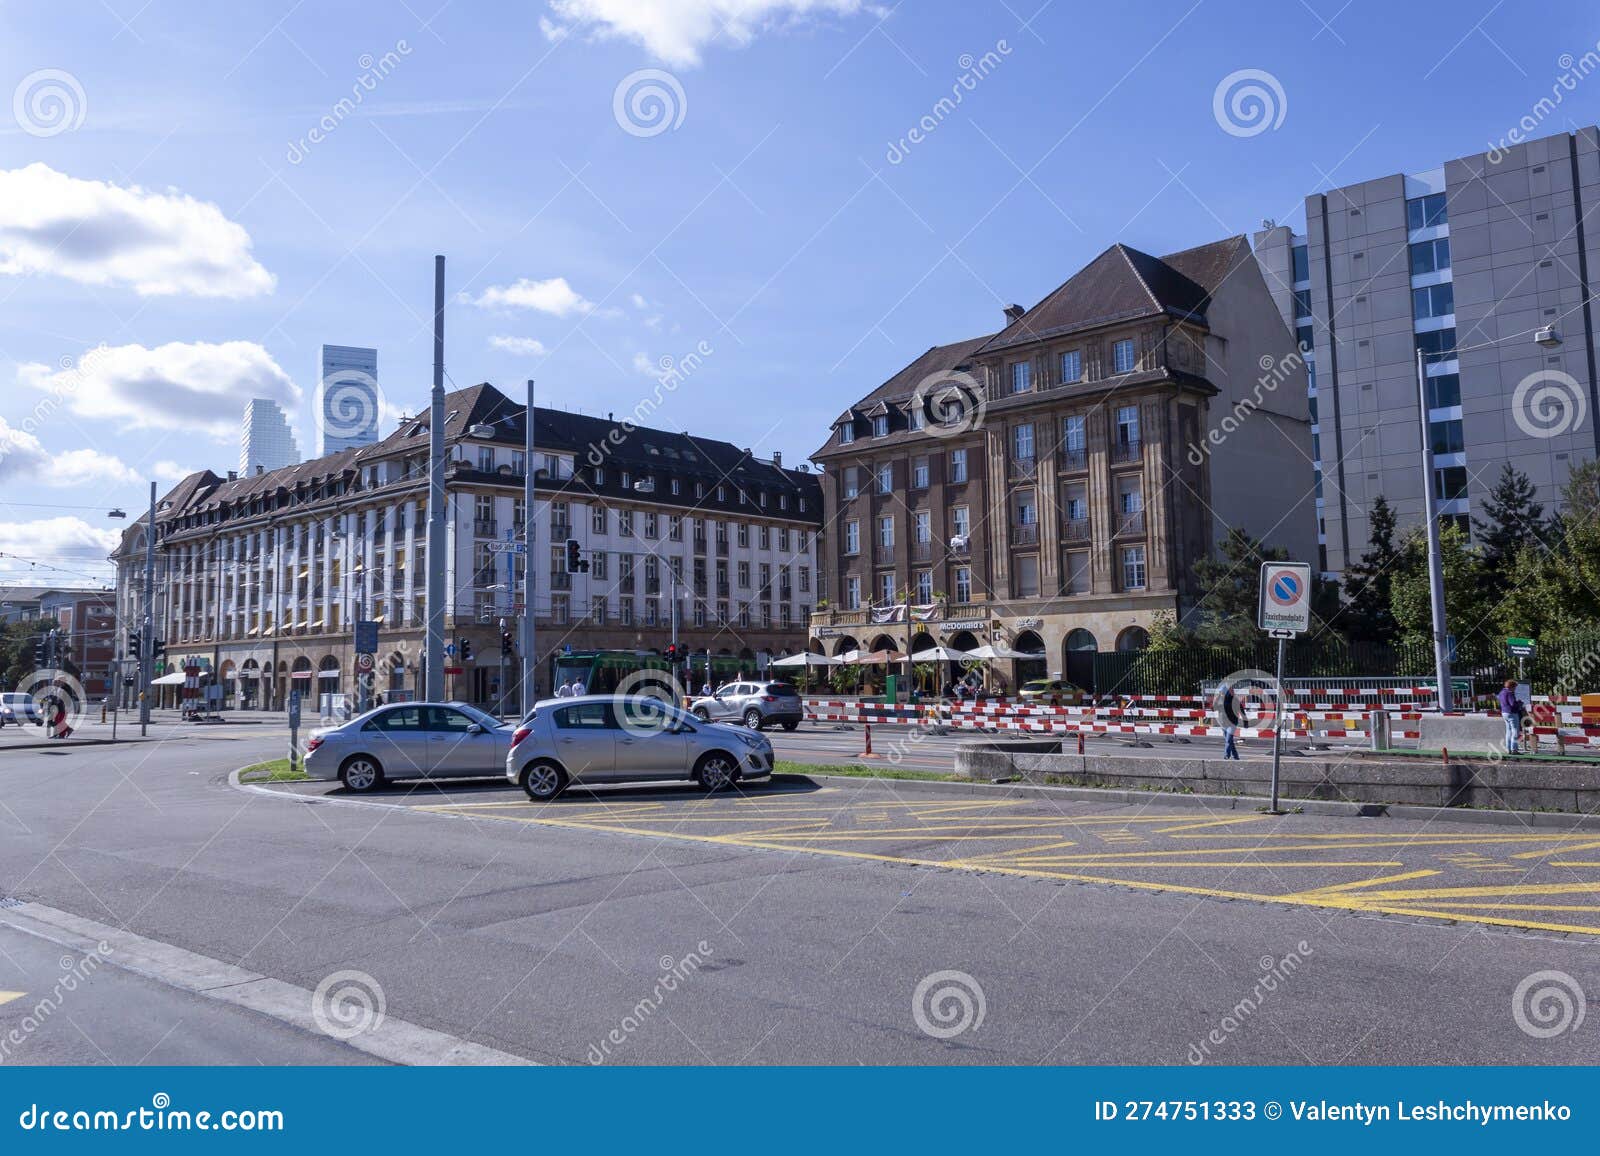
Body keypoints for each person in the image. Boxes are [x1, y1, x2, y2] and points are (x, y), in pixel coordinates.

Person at [1498, 679, 1524, 755]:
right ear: (1511, 686)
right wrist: (1519, 703)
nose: (1515, 689)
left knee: (1508, 731)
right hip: (1512, 713)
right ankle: (1514, 749)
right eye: (1515, 687)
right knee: (1515, 731)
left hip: (1504, 712)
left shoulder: (1502, 692)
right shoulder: (1510, 693)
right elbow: (1513, 703)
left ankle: (1508, 749)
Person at [1220, 683, 1242, 760]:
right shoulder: (1220, 700)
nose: (1221, 694)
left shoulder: (1234, 699)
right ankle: (1236, 756)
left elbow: (1241, 709)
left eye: (1222, 692)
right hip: (1223, 723)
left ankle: (1226, 756)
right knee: (1229, 741)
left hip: (1232, 723)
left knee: (1228, 740)